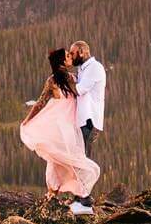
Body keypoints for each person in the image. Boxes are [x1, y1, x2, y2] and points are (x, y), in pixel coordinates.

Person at [18, 47, 101, 214]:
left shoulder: (62, 79)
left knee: (61, 158)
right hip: (63, 126)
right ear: (62, 61)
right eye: (68, 56)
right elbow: (41, 103)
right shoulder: (66, 79)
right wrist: (28, 120)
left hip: (67, 125)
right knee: (66, 158)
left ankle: (57, 193)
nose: (70, 57)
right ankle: (77, 195)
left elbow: (41, 102)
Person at [68, 40, 107, 210]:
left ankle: (84, 197)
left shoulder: (94, 68)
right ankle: (79, 196)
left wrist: (64, 78)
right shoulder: (83, 69)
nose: (71, 56)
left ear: (82, 52)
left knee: (84, 159)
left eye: (73, 53)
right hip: (82, 120)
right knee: (79, 157)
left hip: (89, 121)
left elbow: (79, 90)